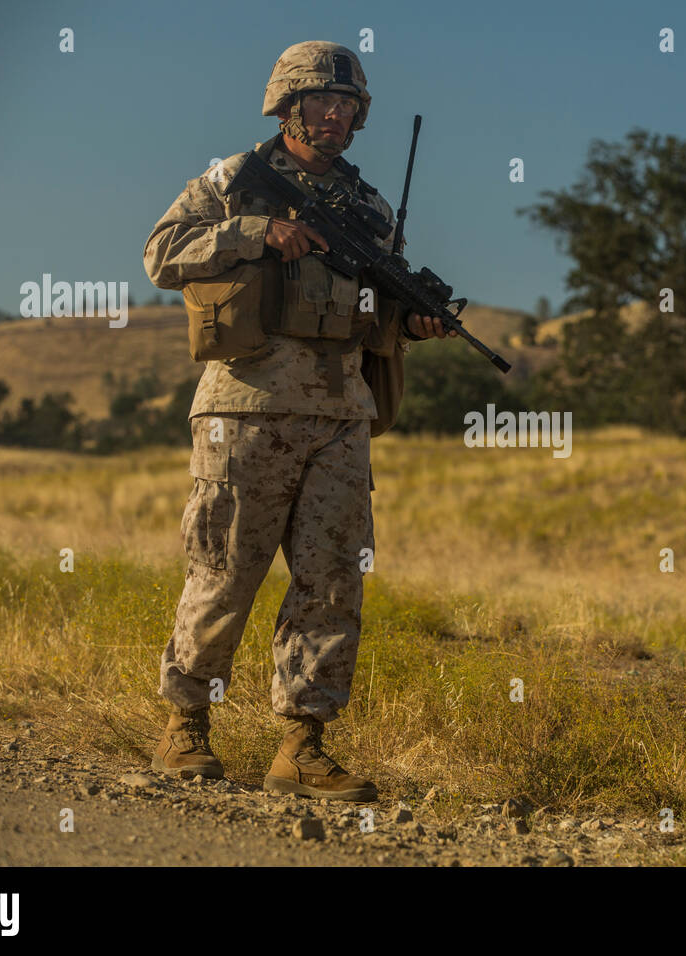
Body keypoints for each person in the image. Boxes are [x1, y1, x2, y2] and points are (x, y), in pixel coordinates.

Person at [142, 40, 453, 802]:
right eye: (323, 101)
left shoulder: (370, 210)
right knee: (225, 569)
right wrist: (255, 233)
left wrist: (412, 325)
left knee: (333, 578)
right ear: (288, 106)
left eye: (349, 105)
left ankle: (303, 747)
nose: (338, 114)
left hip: (340, 411)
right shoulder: (232, 182)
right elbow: (161, 252)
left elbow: (370, 310)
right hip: (244, 406)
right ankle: (186, 727)